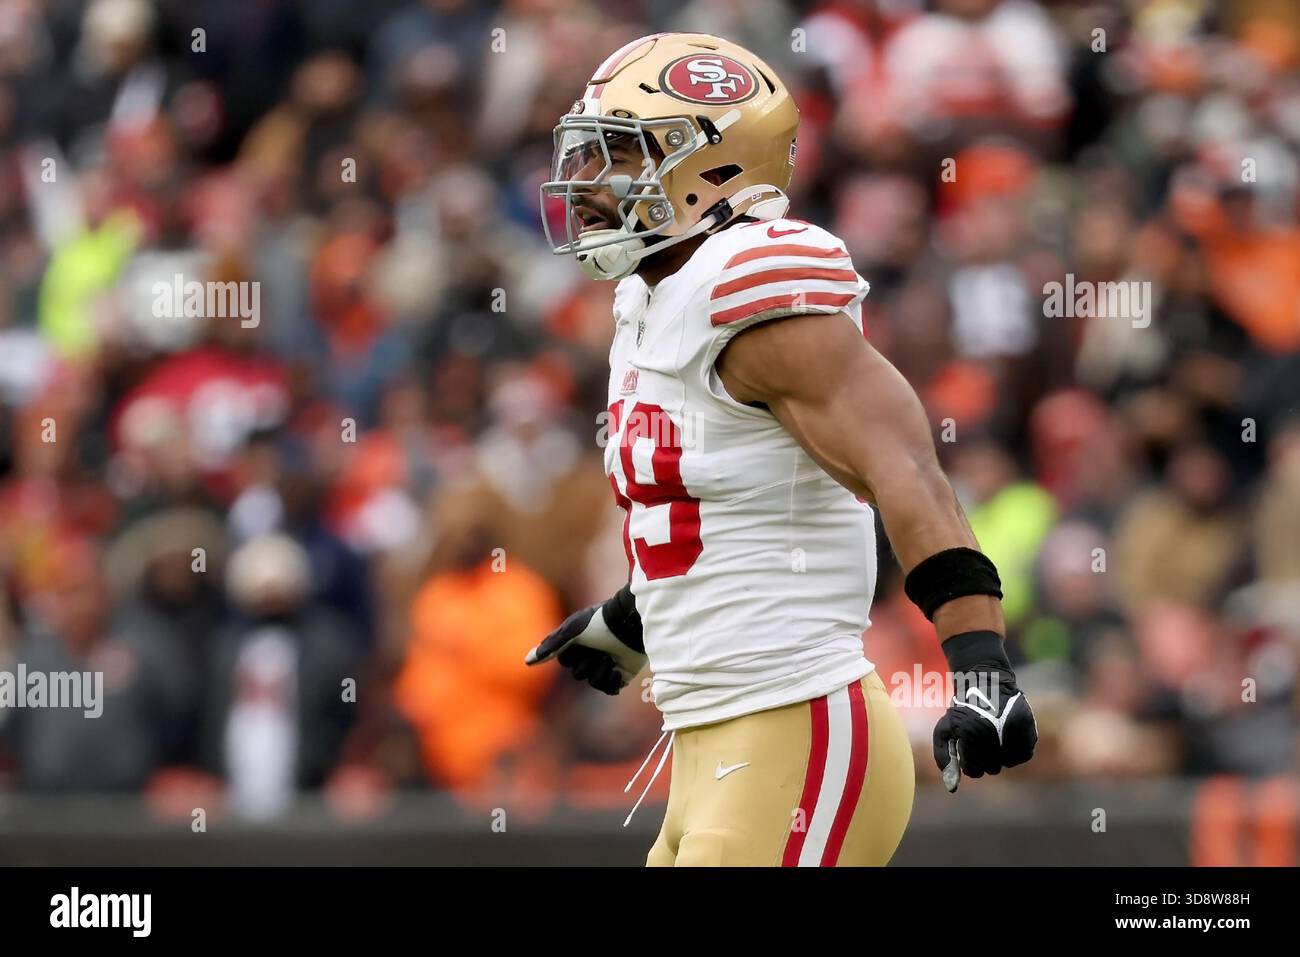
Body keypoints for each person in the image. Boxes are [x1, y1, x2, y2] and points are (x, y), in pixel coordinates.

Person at [526, 33, 1037, 866]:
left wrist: (978, 661)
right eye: (586, 155)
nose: (584, 183)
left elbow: (901, 470)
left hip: (797, 725)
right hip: (712, 746)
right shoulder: (652, 296)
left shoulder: (755, 286)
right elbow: (730, 495)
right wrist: (633, 618)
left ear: (712, 168)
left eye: (617, 155)